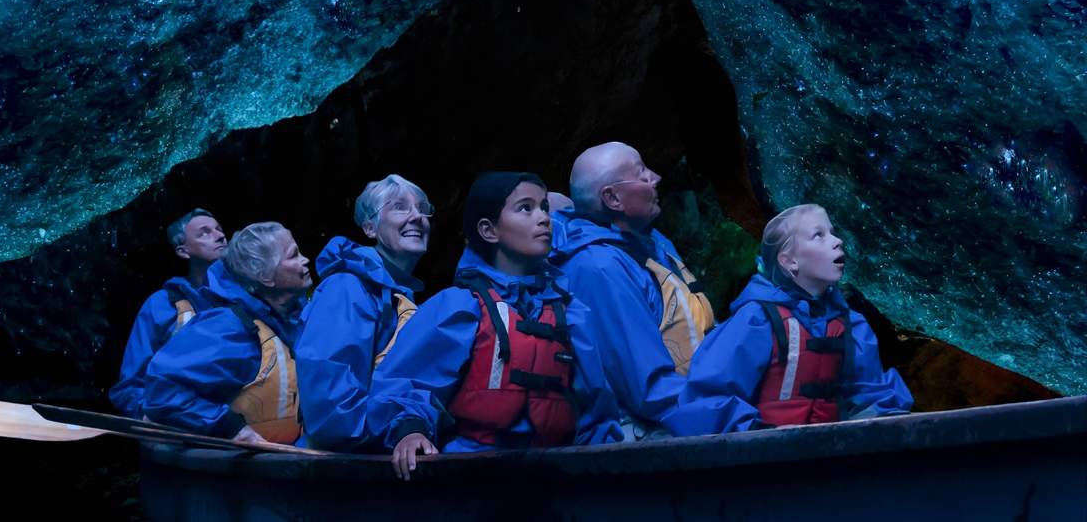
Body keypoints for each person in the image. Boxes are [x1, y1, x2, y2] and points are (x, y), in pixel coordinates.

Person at [369, 172, 622, 480]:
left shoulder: (571, 313)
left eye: (544, 207)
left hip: (556, 475)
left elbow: (597, 409)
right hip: (470, 474)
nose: (544, 218)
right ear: (489, 230)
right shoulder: (460, 306)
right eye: (526, 208)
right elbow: (408, 383)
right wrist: (410, 431)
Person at [680, 204, 913, 433]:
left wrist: (873, 430)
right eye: (818, 235)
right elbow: (709, 397)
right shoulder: (756, 321)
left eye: (832, 232)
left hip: (834, 458)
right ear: (789, 261)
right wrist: (757, 434)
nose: (837, 241)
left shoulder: (853, 326)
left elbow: (872, 395)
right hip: (766, 460)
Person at [550, 142, 715, 440]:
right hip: (651, 430)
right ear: (612, 198)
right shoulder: (598, 267)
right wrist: (728, 413)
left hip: (691, 408)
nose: (656, 178)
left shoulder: (654, 243)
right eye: (642, 174)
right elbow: (647, 389)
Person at [295, 174, 431, 451]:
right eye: (400, 207)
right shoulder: (347, 288)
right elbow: (330, 407)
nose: (417, 217)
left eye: (422, 208)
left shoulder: (395, 295)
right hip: (345, 468)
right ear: (370, 228)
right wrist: (401, 430)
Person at [143, 222, 313, 443]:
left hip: (289, 458)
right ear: (265, 277)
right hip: (237, 468)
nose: (305, 260)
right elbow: (163, 391)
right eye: (293, 255)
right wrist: (230, 428)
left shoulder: (292, 317)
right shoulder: (227, 328)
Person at [109, 208, 226, 418]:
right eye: (205, 233)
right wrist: (148, 416)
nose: (220, 235)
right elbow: (130, 384)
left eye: (219, 229)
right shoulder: (161, 305)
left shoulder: (247, 299)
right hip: (177, 426)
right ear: (183, 251)